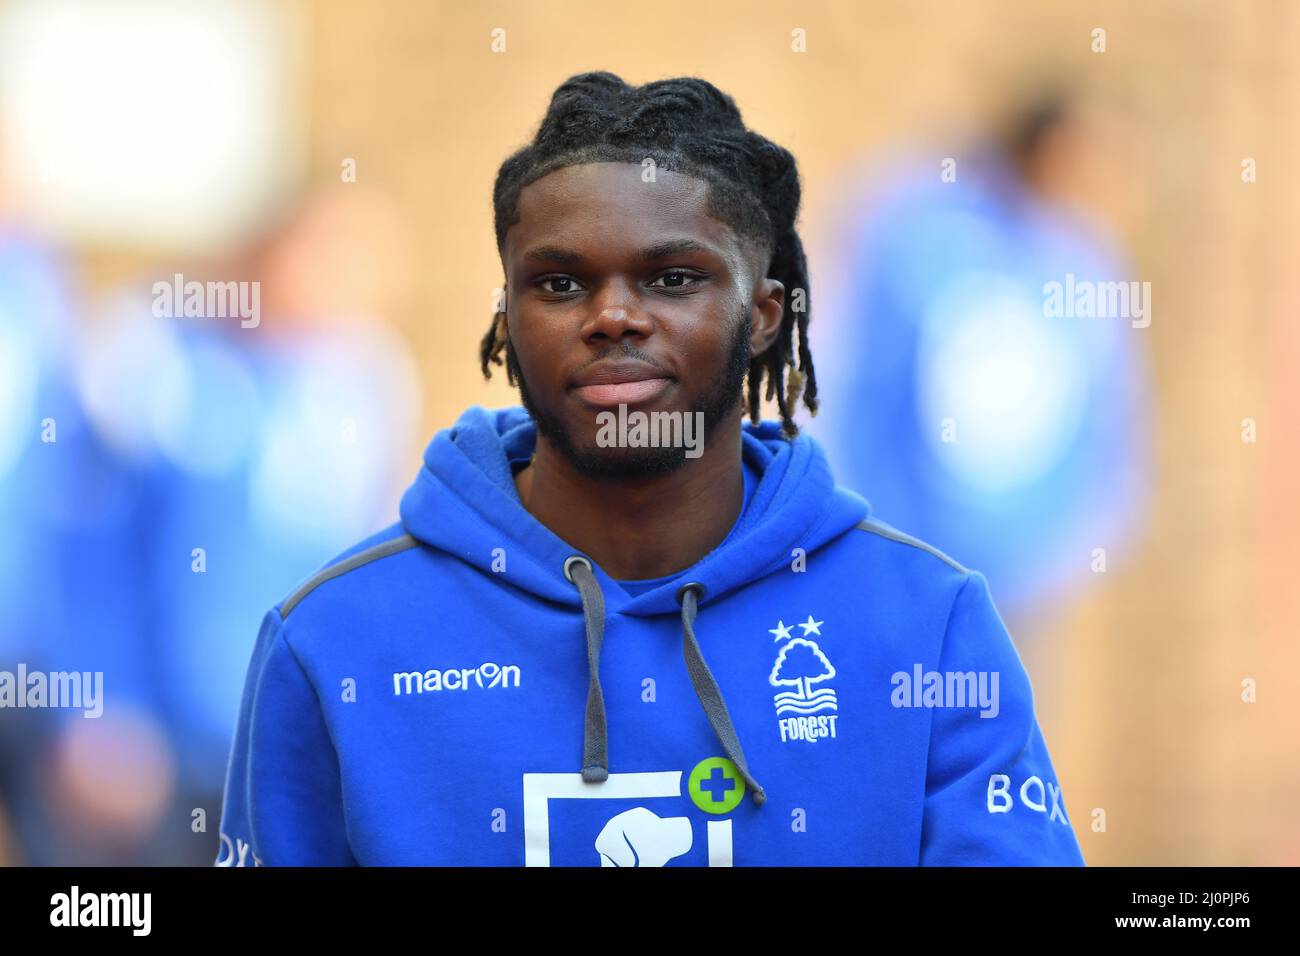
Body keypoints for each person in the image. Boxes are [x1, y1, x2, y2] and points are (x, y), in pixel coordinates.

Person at [215, 72, 1085, 866]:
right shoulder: (333, 641)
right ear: (506, 320)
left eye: (672, 278)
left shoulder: (928, 625)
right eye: (559, 284)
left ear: (764, 316)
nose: (614, 317)